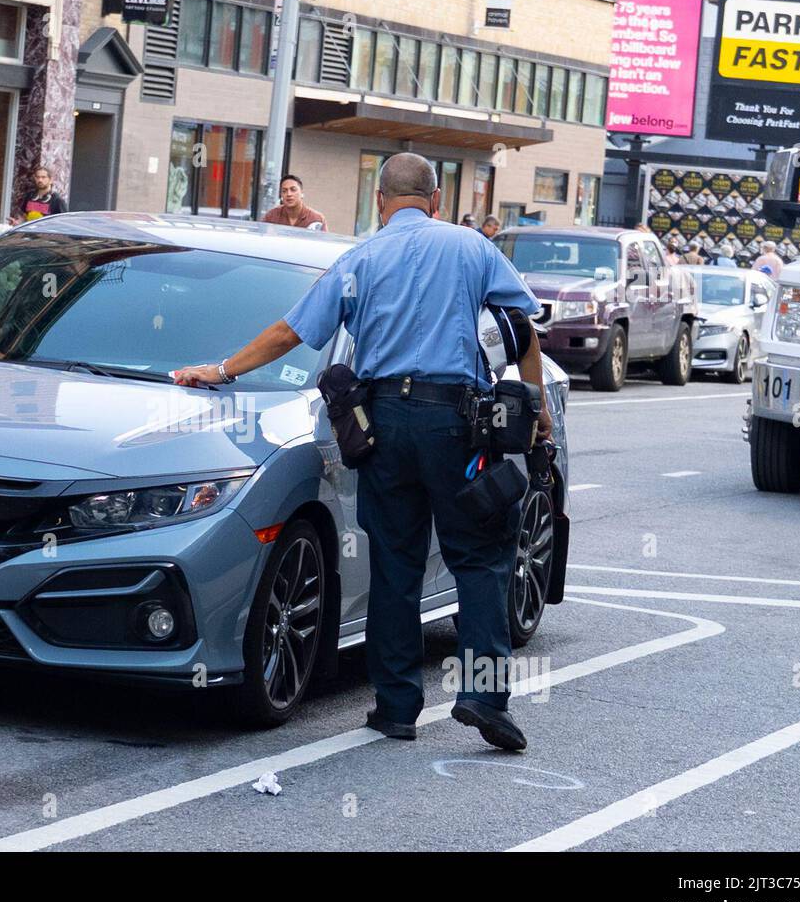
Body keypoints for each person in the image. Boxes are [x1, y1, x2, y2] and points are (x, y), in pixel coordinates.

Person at [172, 153, 551, 751]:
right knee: (480, 560)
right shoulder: (473, 248)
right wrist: (539, 416)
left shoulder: (360, 258)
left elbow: (290, 331)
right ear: (434, 199)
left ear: (380, 201)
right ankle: (483, 697)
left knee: (395, 566)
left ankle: (396, 707)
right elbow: (524, 328)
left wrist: (218, 370)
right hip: (454, 421)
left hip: (381, 425)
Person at [262, 174, 327, 230]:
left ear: (301, 193)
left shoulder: (316, 219)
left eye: (293, 190)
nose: (289, 194)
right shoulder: (271, 216)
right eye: (284, 191)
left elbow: (323, 242)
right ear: (281, 195)